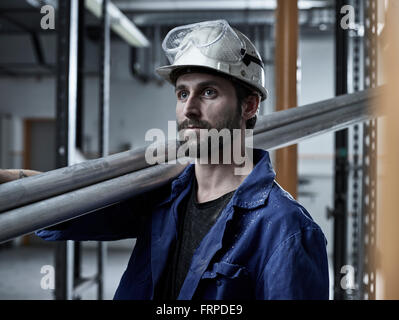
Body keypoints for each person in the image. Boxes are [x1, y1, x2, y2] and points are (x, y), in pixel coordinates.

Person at [0, 20, 329, 300]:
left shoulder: (287, 231)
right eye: (183, 93)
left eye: (208, 92)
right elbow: (67, 209)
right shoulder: (163, 195)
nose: (189, 109)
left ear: (249, 106)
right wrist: (10, 181)